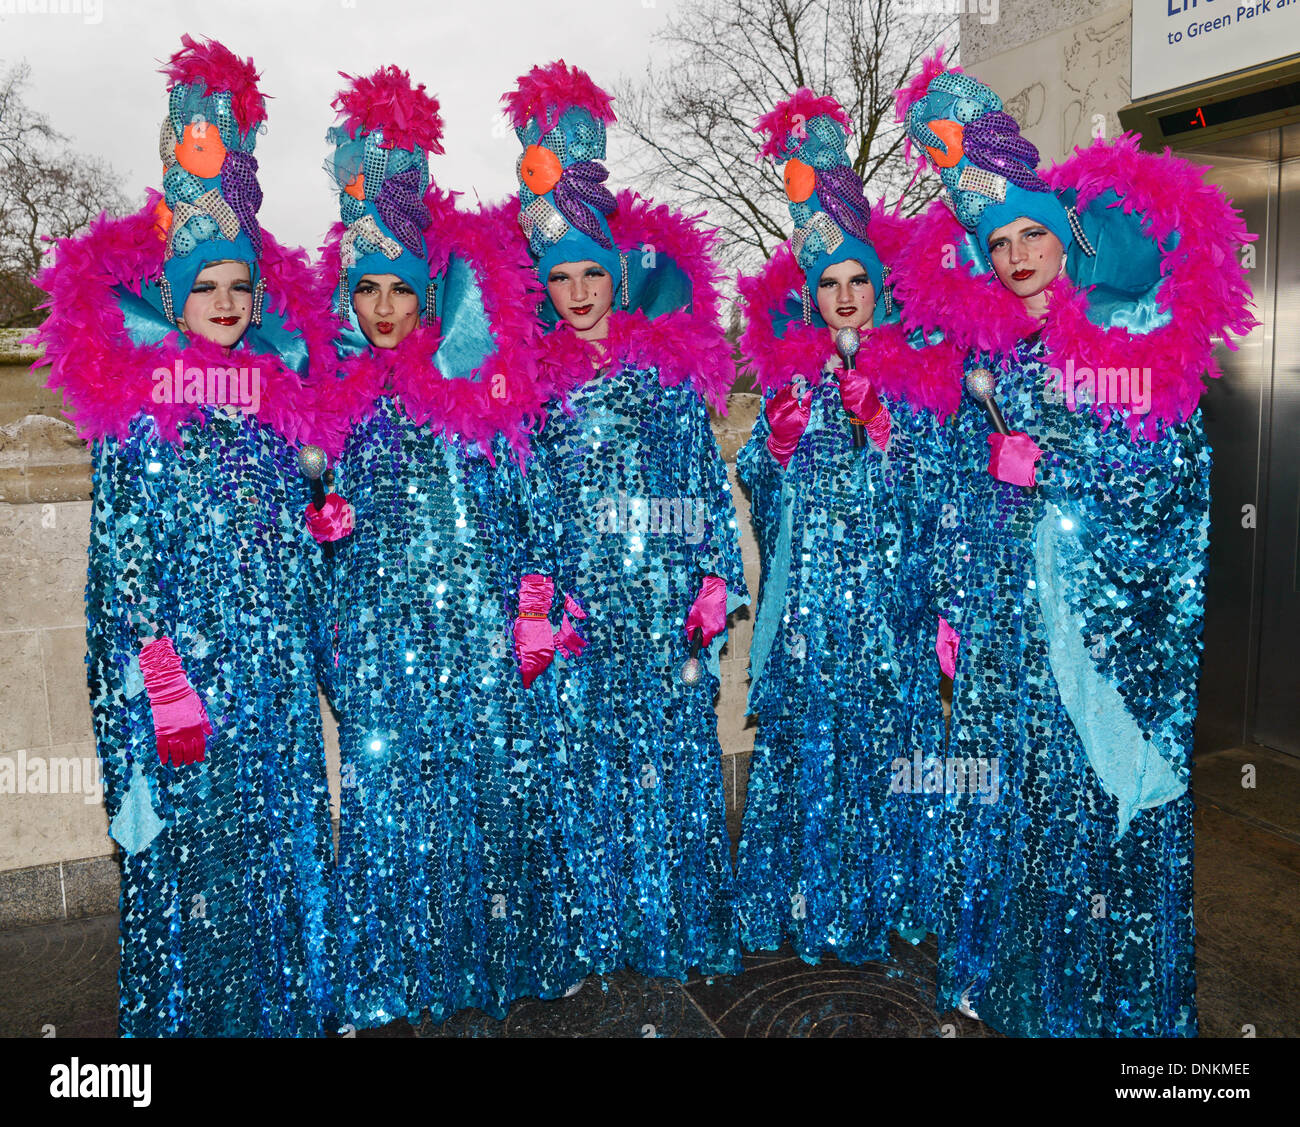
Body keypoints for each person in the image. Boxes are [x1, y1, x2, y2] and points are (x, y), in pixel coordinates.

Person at [891, 54, 1256, 1036]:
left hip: (1096, 631)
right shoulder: (986, 354)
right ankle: (1014, 979)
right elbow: (958, 492)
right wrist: (956, 601)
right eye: (998, 242)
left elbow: (1167, 472)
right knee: (1012, 800)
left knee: (1086, 805)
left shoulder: (1124, 337)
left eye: (1031, 235)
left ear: (1063, 236)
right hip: (1005, 630)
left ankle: (1100, 998)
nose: (1016, 255)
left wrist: (1047, 466)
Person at [29, 36, 341, 1036]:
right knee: (197, 869)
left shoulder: (275, 406)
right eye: (207, 287)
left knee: (274, 853)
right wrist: (162, 681)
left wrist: (322, 516)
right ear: (174, 295)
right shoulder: (137, 417)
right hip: (187, 688)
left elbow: (298, 547)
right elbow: (122, 573)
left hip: (274, 682)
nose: (226, 304)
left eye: (240, 288)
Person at [313, 66, 582, 1027]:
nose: (385, 308)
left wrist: (534, 610)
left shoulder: (479, 383)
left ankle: (496, 960)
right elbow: (308, 540)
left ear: (429, 292)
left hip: (475, 638)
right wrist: (324, 526)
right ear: (348, 295)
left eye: (401, 289)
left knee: (489, 796)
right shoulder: (328, 405)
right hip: (382, 645)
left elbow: (532, 505)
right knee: (393, 804)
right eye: (368, 290)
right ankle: (395, 971)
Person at [501, 60, 747, 980]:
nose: (578, 292)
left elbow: (705, 487)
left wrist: (713, 585)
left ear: (616, 274)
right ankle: (604, 934)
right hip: (583, 615)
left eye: (590, 274)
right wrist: (539, 602)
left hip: (665, 607)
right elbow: (527, 507)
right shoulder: (534, 389)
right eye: (560, 277)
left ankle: (678, 926)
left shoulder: (665, 371)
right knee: (592, 770)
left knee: (673, 767)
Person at [733, 90, 963, 966]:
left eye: (856, 281)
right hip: (810, 617)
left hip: (886, 616)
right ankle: (805, 899)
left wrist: (884, 427)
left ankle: (885, 896)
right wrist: (775, 448)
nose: (843, 297)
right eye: (828, 285)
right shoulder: (789, 380)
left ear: (878, 286)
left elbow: (936, 492)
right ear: (811, 294)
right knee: (812, 755)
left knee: (885, 754)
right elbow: (760, 492)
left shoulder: (915, 378)